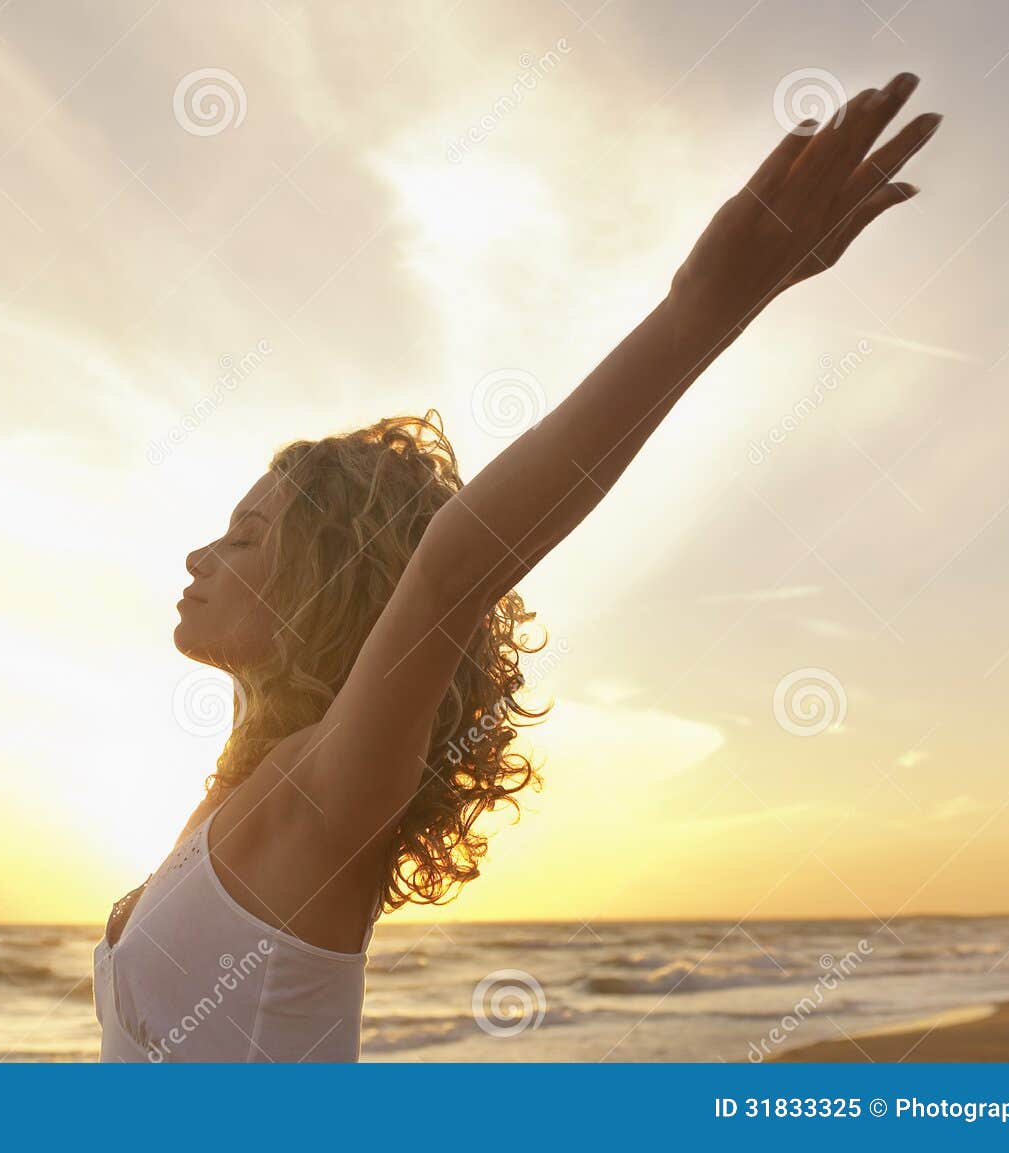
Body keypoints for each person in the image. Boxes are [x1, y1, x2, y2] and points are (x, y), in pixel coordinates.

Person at [94, 72, 942, 1062]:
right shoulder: (242, 791)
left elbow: (454, 567)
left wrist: (701, 312)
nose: (200, 554)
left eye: (246, 538)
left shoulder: (320, 795)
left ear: (327, 585)